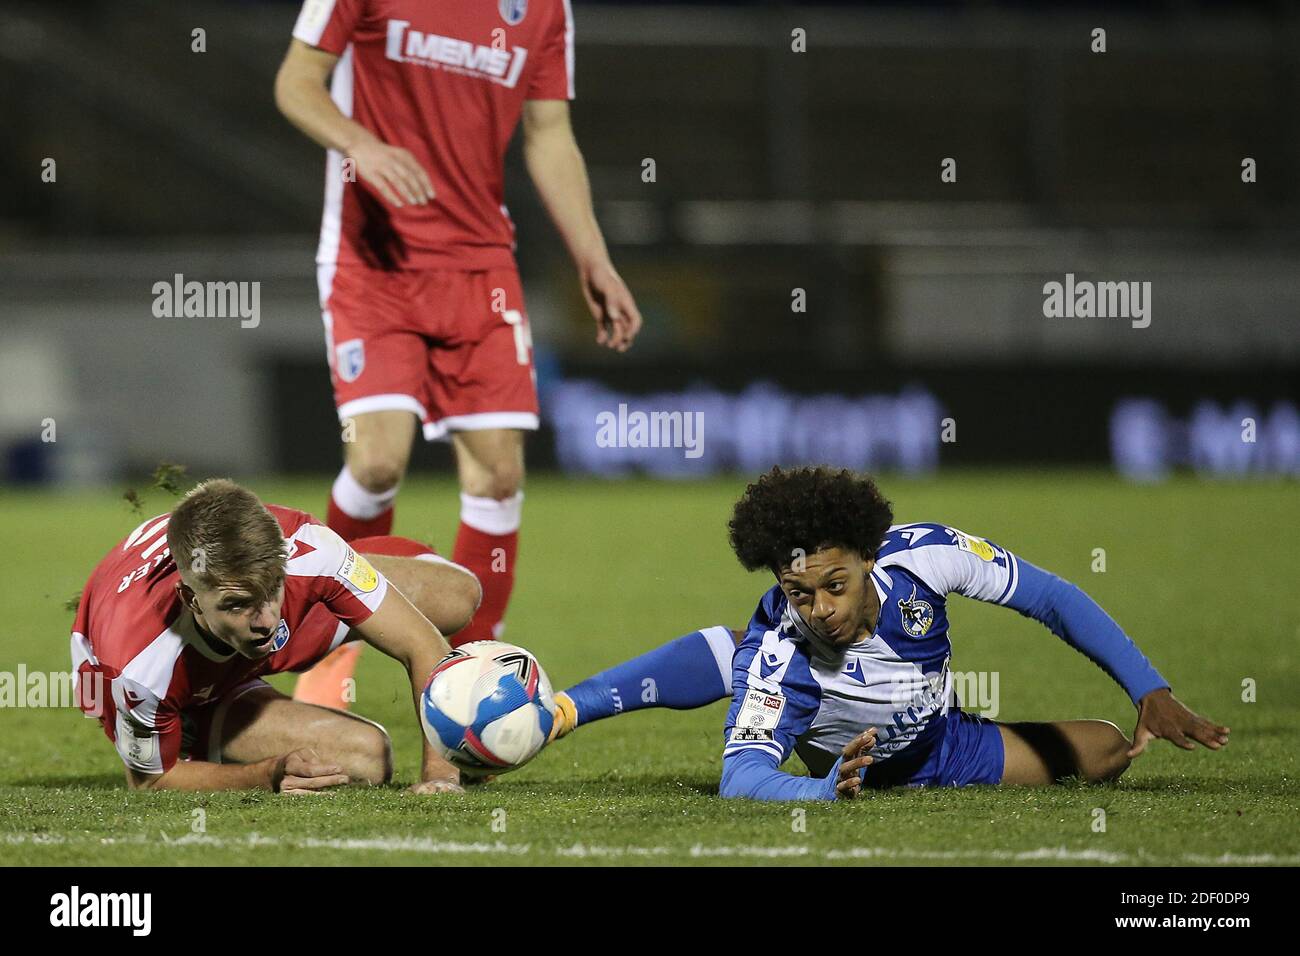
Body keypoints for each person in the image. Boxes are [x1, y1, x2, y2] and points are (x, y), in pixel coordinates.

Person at [274, 0, 642, 707]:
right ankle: (323, 646)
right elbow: (296, 81)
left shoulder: (544, 9)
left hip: (480, 267)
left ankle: (469, 684)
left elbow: (549, 133)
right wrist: (361, 145)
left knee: (500, 477)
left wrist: (591, 257)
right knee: (378, 462)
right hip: (372, 261)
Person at [549, 466, 1230, 799]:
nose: (819, 607)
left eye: (835, 586)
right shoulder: (782, 648)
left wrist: (1148, 686)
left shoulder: (927, 556)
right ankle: (572, 704)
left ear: (870, 556)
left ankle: (570, 705)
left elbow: (1050, 596)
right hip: (844, 764)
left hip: (941, 744)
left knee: (1108, 752)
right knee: (747, 649)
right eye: (798, 593)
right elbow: (741, 776)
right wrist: (823, 788)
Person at [71, 478, 478, 794]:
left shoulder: (308, 550)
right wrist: (265, 773)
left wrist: (442, 775)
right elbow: (151, 781)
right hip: (195, 689)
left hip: (279, 618)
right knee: (363, 759)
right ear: (191, 599)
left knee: (458, 596)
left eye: (272, 590)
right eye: (238, 604)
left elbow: (420, 644)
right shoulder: (137, 668)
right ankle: (200, 732)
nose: (266, 620)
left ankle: (349, 589)